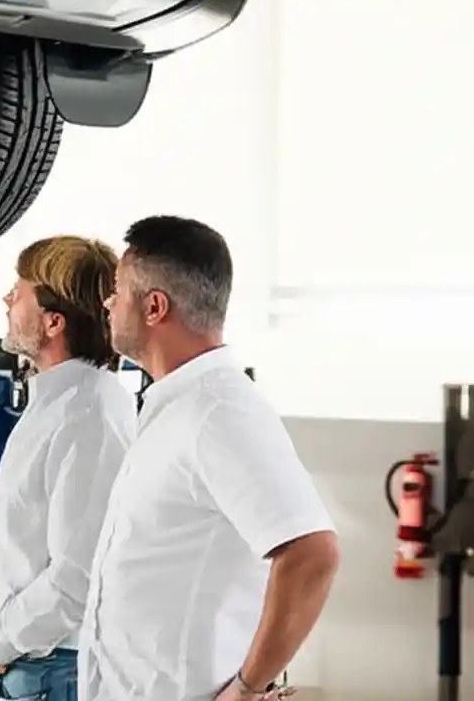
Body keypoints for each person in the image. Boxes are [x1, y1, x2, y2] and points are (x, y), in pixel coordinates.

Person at [79, 215, 340, 701]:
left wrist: (246, 687)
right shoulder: (174, 404)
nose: (107, 303)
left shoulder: (219, 411)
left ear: (155, 307)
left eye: (116, 290)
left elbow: (311, 553)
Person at [0, 236, 139, 701]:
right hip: (33, 663)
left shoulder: (90, 415)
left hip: (55, 669)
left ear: (52, 322)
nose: (7, 299)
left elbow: (77, 578)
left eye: (19, 290)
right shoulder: (58, 402)